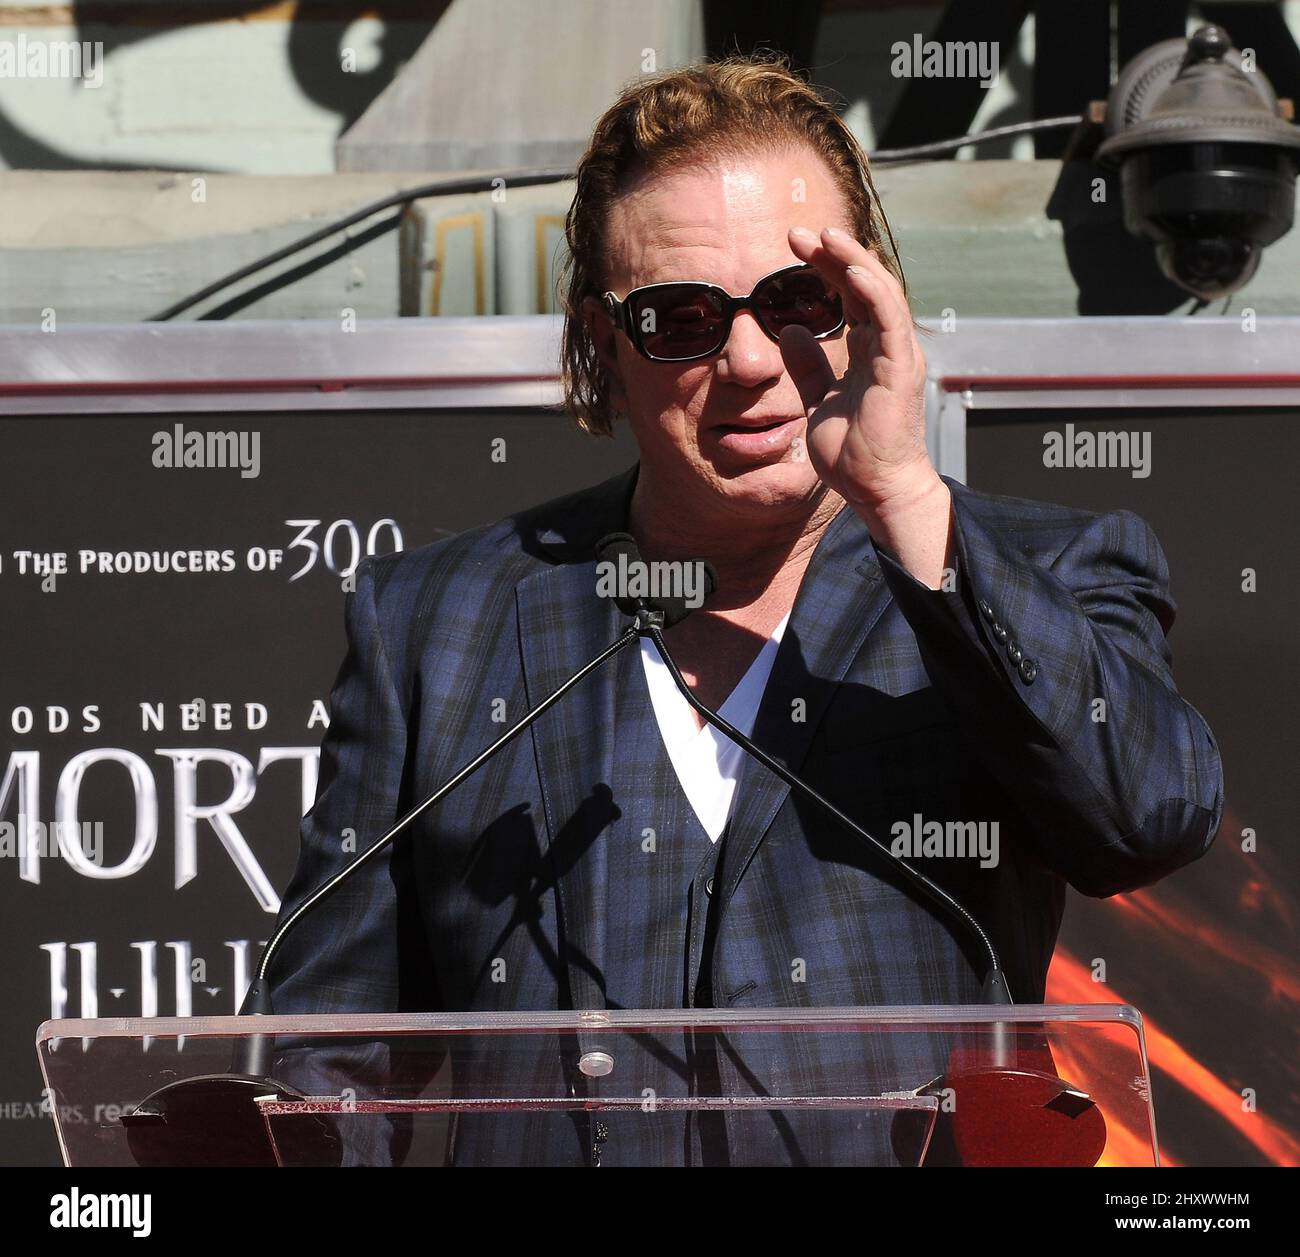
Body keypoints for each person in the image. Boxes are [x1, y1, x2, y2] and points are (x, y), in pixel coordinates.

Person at [265, 55, 1224, 1166]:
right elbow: (326, 1059)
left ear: (873, 301)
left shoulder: (1041, 566)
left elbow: (1146, 819)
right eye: (679, 318)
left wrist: (907, 499)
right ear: (599, 343)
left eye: (798, 300)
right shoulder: (435, 619)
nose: (752, 362)